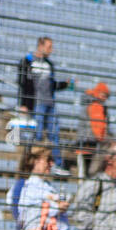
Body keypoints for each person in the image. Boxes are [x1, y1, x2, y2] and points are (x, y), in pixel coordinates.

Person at [17, 37, 73, 173]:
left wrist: (65, 84)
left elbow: (51, 85)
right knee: (36, 135)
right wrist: (24, 104)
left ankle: (56, 164)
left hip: (50, 104)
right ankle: (29, 163)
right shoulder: (27, 61)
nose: (51, 50)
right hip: (36, 103)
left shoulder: (49, 64)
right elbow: (23, 84)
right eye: (49, 47)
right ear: (40, 46)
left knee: (54, 134)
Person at [14, 146, 70, 230]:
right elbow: (26, 212)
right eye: (48, 160)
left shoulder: (48, 186)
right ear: (36, 161)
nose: (51, 164)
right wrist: (56, 207)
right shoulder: (27, 185)